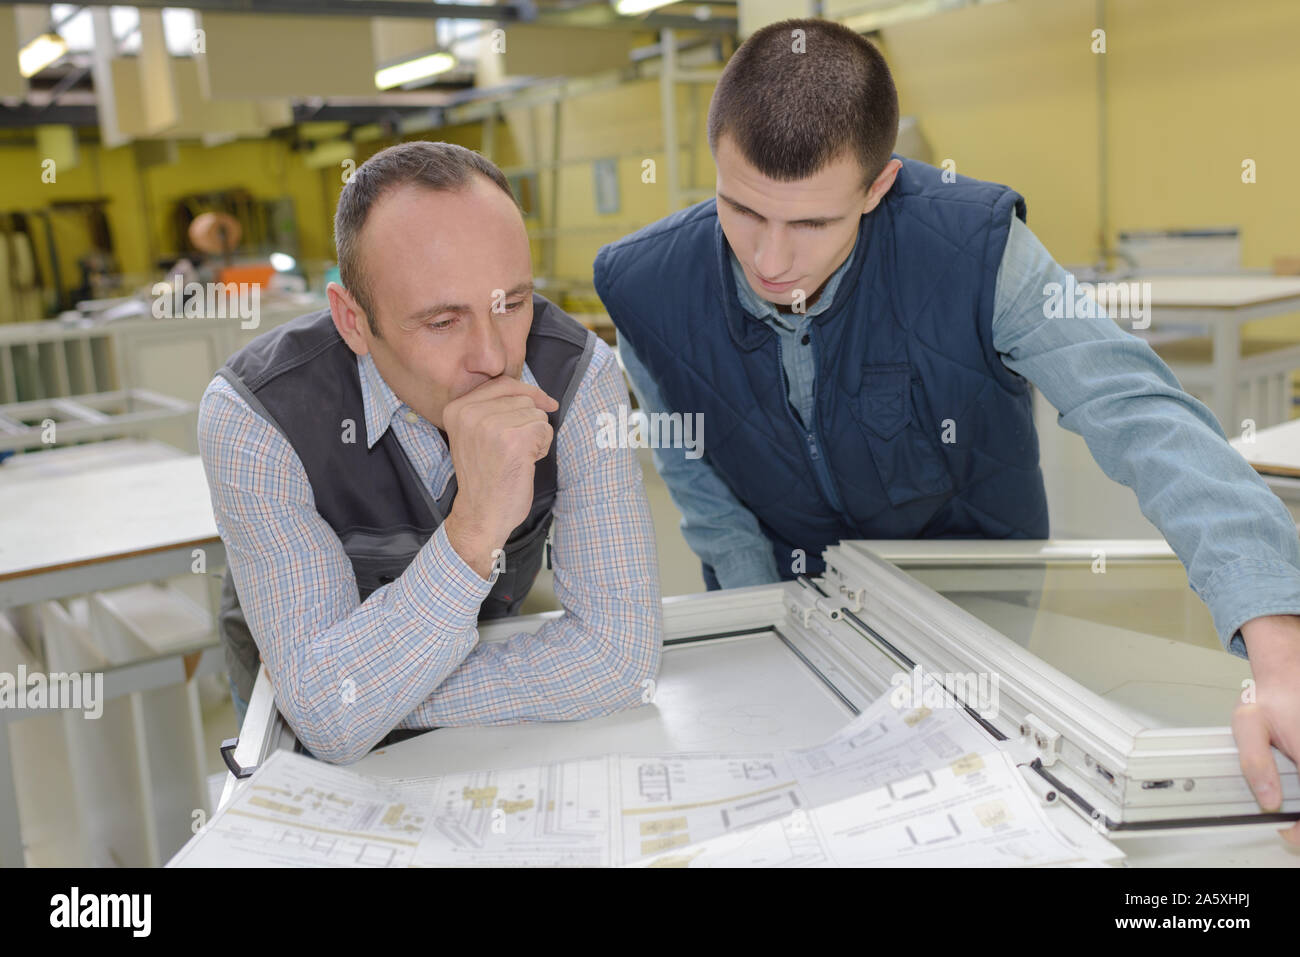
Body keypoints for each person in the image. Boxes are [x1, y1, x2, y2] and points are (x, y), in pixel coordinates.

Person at [595, 18, 1300, 839]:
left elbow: (1139, 411)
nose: (770, 259)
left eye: (813, 224)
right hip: (786, 592)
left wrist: (1280, 645)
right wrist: (772, 644)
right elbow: (703, 489)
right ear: (713, 160)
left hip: (974, 594)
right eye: (741, 209)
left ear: (879, 185)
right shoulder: (644, 289)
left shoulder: (980, 250)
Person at [199, 141, 661, 764]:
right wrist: (474, 531)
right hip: (296, 724)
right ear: (354, 321)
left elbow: (617, 660)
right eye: (443, 322)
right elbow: (325, 725)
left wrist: (357, 701)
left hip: (449, 706)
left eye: (513, 304)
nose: (495, 359)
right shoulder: (255, 416)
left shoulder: (579, 377)